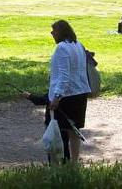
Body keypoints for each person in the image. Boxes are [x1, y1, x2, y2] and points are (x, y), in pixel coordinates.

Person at [22, 20, 91, 163]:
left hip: (66, 95)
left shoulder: (62, 48)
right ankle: (74, 163)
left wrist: (57, 97)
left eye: (54, 30)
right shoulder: (79, 45)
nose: (52, 33)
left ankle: (58, 164)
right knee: (74, 131)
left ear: (62, 32)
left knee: (58, 131)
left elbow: (64, 76)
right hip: (81, 93)